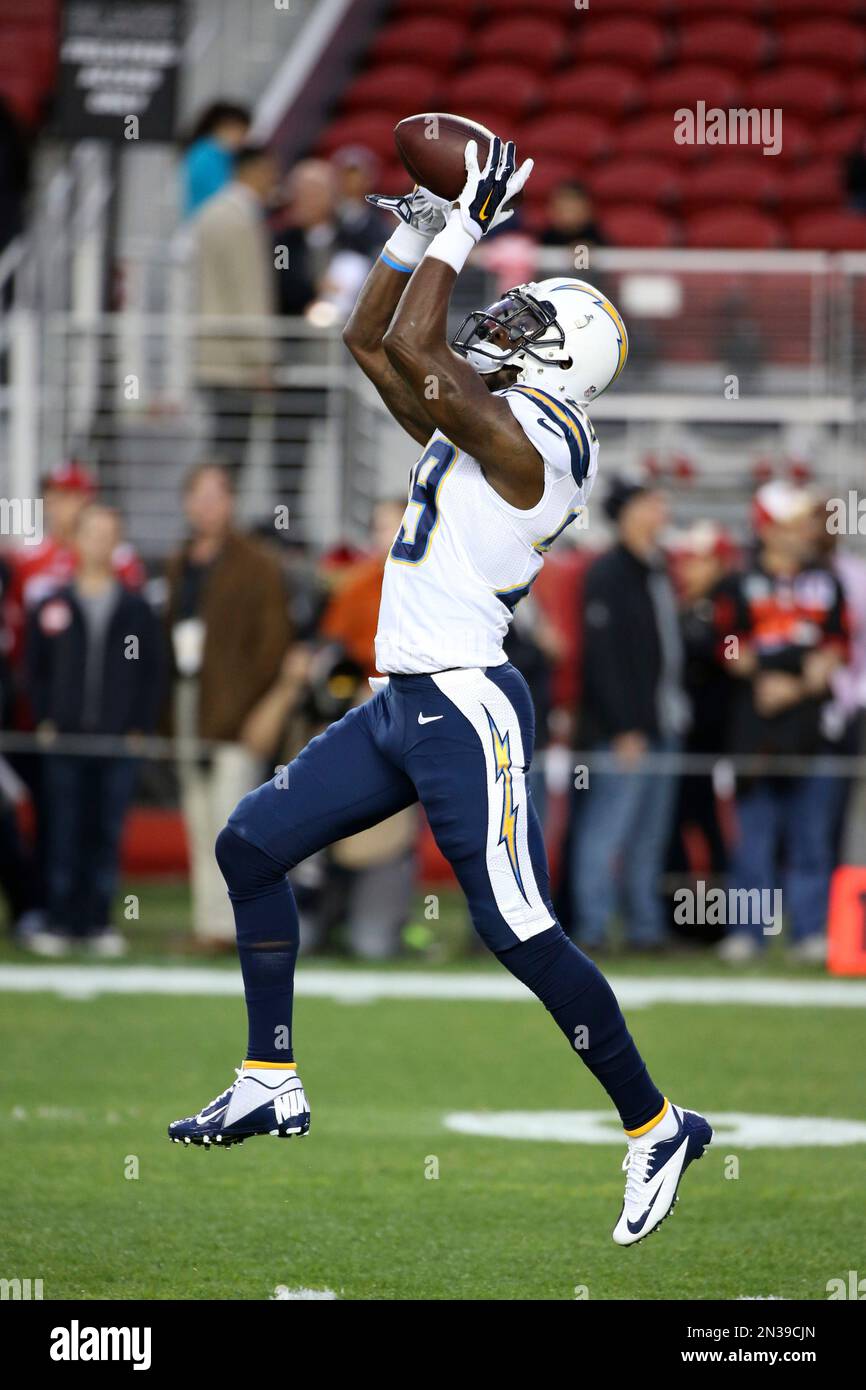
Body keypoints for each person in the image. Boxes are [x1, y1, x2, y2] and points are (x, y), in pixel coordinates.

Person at [167, 142, 712, 1249]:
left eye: (531, 324)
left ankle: (653, 1122)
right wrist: (416, 226)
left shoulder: (537, 443)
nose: (507, 325)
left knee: (516, 928)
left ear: (566, 366)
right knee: (249, 846)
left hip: (465, 702)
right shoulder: (484, 422)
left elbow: (417, 342)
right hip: (397, 701)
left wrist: (466, 216)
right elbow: (373, 340)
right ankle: (269, 1074)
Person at [714, 481, 849, 964]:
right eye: (792, 522)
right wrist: (766, 672)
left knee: (811, 835)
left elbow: (837, 647)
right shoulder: (737, 581)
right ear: (768, 529)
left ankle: (810, 933)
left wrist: (792, 684)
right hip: (754, 728)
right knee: (754, 837)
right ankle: (749, 933)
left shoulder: (826, 580)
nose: (804, 530)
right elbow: (727, 649)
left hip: (811, 727)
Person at [25, 505, 163, 956]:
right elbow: (34, 670)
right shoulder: (53, 604)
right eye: (91, 533)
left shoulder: (136, 610)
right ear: (76, 539)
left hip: (117, 741)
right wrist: (44, 717)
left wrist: (139, 725)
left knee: (106, 833)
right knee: (62, 830)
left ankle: (99, 922)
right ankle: (60, 920)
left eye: (109, 534)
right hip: (63, 740)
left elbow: (151, 673)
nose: (99, 543)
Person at [165, 464, 290, 948]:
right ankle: (209, 926)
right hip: (188, 702)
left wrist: (249, 707)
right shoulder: (182, 562)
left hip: (237, 712)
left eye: (217, 496)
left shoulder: (257, 563)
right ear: (187, 503)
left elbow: (272, 644)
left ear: (231, 502)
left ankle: (234, 928)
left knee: (231, 824)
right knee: (197, 819)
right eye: (199, 496)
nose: (207, 506)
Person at [572, 477, 689, 952]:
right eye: (651, 501)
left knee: (649, 833)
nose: (661, 511)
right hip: (628, 730)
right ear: (628, 512)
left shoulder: (656, 569)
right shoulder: (608, 574)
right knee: (607, 828)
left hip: (662, 722)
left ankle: (644, 928)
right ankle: (593, 928)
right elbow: (602, 660)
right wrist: (624, 727)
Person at [193, 145, 279, 480]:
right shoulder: (240, 219)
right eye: (269, 171)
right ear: (253, 171)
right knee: (230, 456)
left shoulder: (211, 212)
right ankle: (215, 521)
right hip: (236, 361)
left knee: (221, 448)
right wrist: (261, 359)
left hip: (213, 353)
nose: (274, 180)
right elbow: (248, 294)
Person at [181, 101, 251, 218]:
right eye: (242, 132)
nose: (244, 139)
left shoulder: (223, 155)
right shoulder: (206, 156)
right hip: (205, 223)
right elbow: (221, 195)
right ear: (224, 127)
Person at [539, 181, 605, 251]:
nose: (566, 216)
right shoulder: (544, 238)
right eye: (561, 209)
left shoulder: (598, 237)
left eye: (571, 209)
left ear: (587, 210)